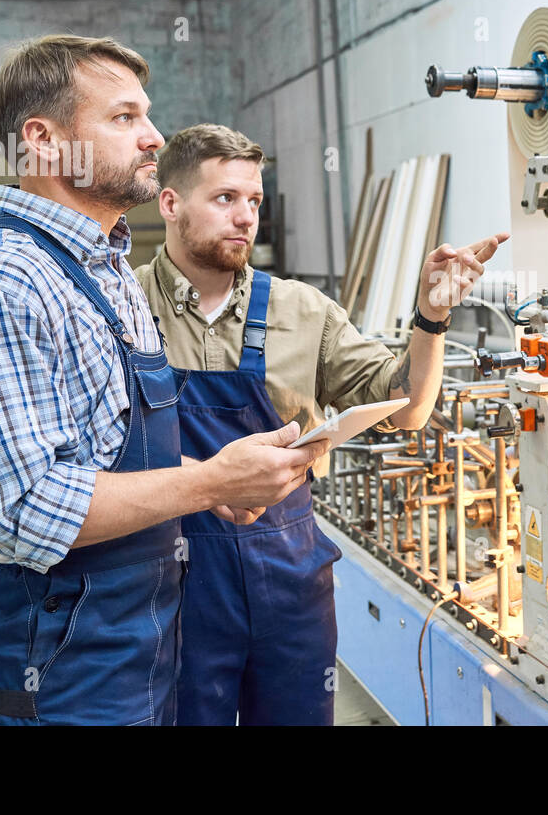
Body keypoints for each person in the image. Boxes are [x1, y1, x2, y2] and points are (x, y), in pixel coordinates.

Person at [0, 37, 328, 726]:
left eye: (146, 115)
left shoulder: (105, 268)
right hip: (60, 654)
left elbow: (103, 449)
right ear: (44, 140)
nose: (154, 136)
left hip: (142, 635)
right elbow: (28, 508)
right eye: (124, 117)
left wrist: (215, 482)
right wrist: (210, 480)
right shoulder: (0, 285)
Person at [135, 123, 508, 725]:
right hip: (167, 582)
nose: (244, 217)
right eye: (225, 198)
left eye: (254, 201)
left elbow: (408, 406)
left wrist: (431, 314)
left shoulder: (300, 311)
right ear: (171, 202)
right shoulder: (119, 308)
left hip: (288, 580)